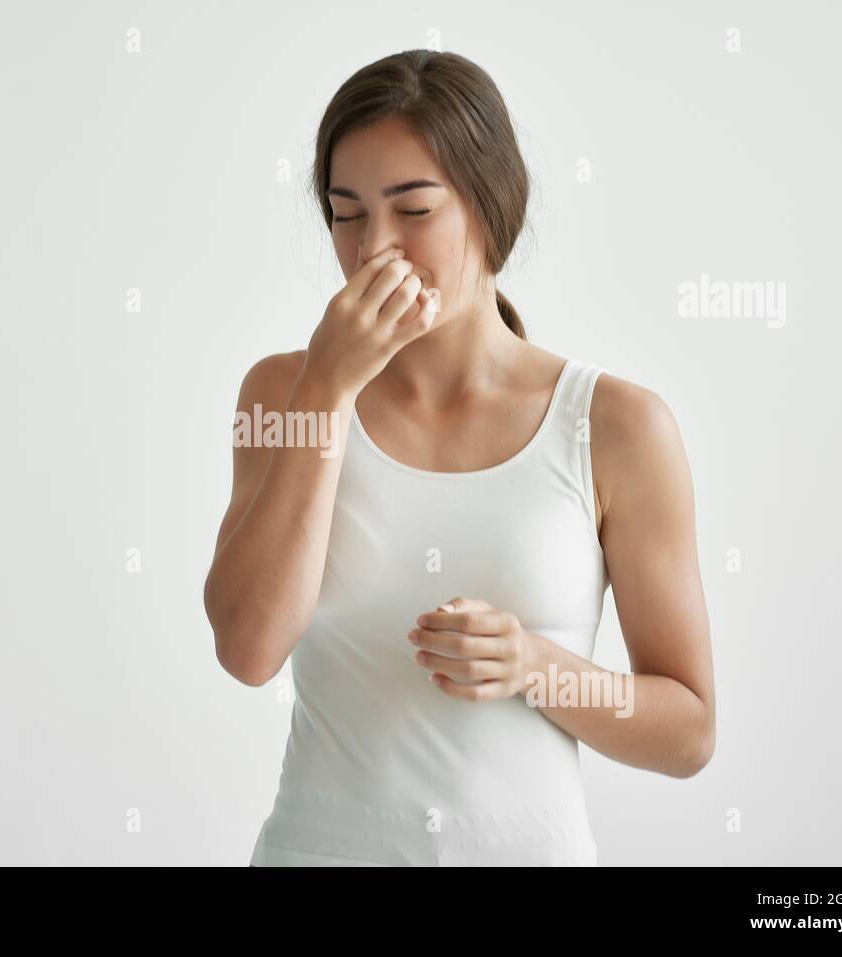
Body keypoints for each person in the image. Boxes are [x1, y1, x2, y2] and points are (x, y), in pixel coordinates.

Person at [205, 49, 715, 866]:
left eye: (413, 209)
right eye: (346, 213)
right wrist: (327, 392)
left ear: (488, 207)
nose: (375, 248)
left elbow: (688, 732)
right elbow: (247, 648)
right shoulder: (281, 395)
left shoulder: (617, 425)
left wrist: (536, 664)